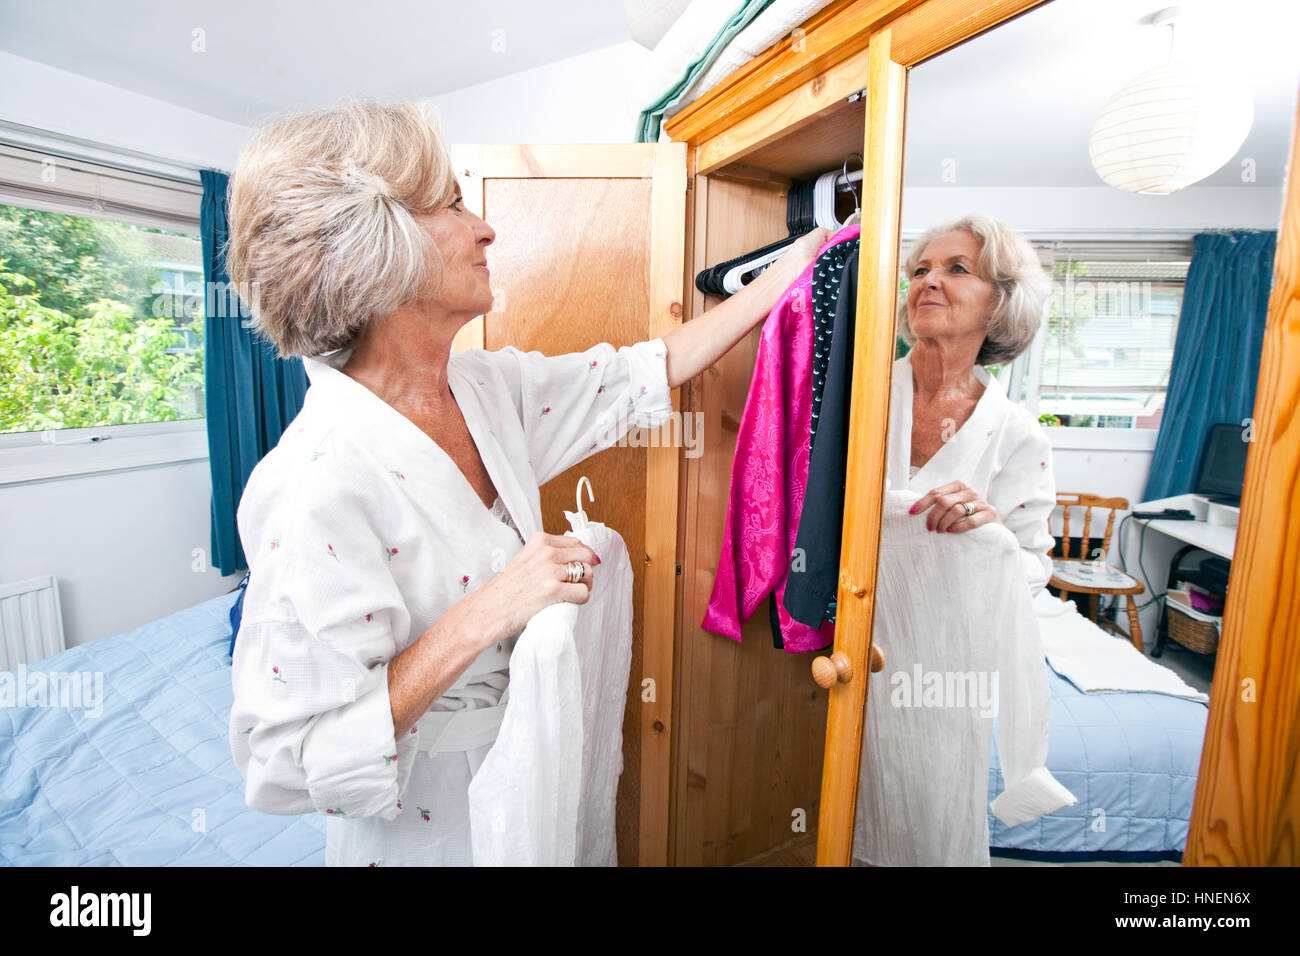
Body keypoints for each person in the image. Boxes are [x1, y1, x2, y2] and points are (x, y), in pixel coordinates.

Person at [224, 98, 829, 866]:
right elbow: (286, 766)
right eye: (451, 204)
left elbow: (638, 374)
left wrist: (785, 277)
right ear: (377, 245)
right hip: (425, 829)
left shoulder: (485, 391)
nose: (484, 227)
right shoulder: (313, 486)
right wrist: (489, 611)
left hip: (530, 783)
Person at [888, 213, 1055, 592]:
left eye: (957, 269)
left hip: (953, 632)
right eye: (919, 271)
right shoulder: (857, 394)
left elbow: (1034, 570)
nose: (928, 281)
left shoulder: (1018, 434)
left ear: (999, 302)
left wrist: (990, 530)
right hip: (846, 627)